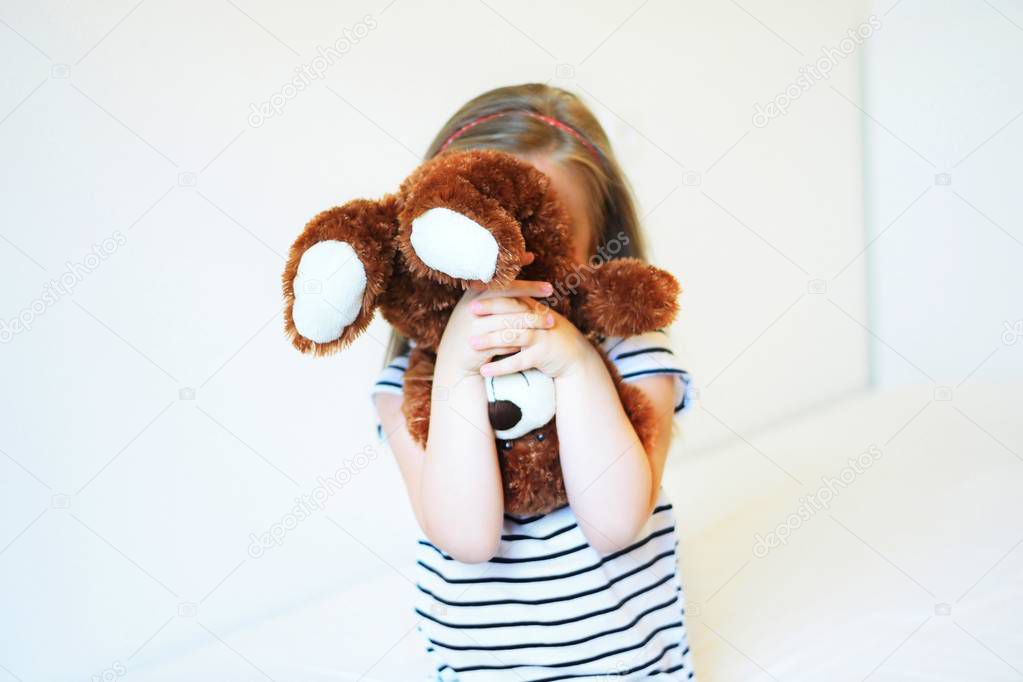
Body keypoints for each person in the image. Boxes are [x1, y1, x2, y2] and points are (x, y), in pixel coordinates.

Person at [372, 83, 694, 680]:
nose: (509, 270)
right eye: (484, 240)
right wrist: (459, 369)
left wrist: (574, 364)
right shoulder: (406, 386)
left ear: (598, 244)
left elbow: (616, 522)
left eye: (544, 240)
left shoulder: (635, 352)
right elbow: (468, 537)